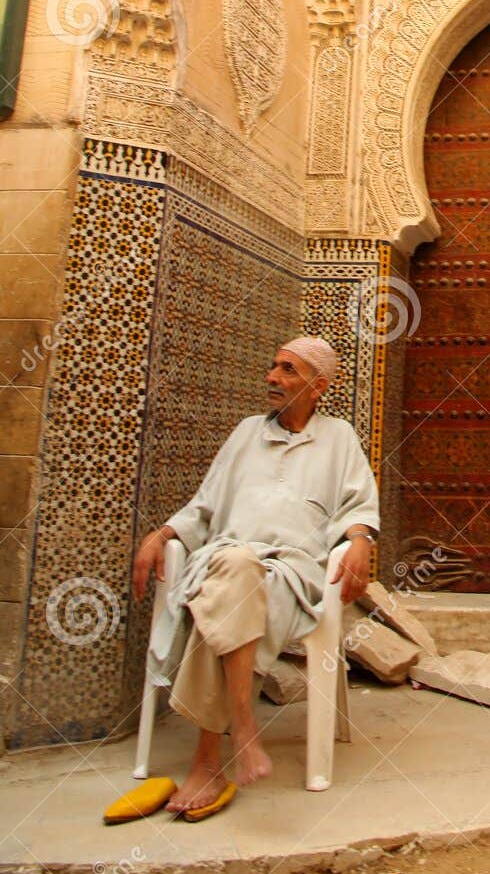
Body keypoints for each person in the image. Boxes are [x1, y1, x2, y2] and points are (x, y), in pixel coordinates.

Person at [132, 336, 379, 815]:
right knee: (236, 569)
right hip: (223, 559)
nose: (272, 377)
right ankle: (241, 724)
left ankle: (208, 760)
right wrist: (161, 534)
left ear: (318, 386)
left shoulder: (339, 437)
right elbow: (204, 506)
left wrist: (362, 540)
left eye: (288, 369)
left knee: (229, 592)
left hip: (290, 577)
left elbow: (359, 504)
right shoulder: (247, 432)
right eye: (274, 366)